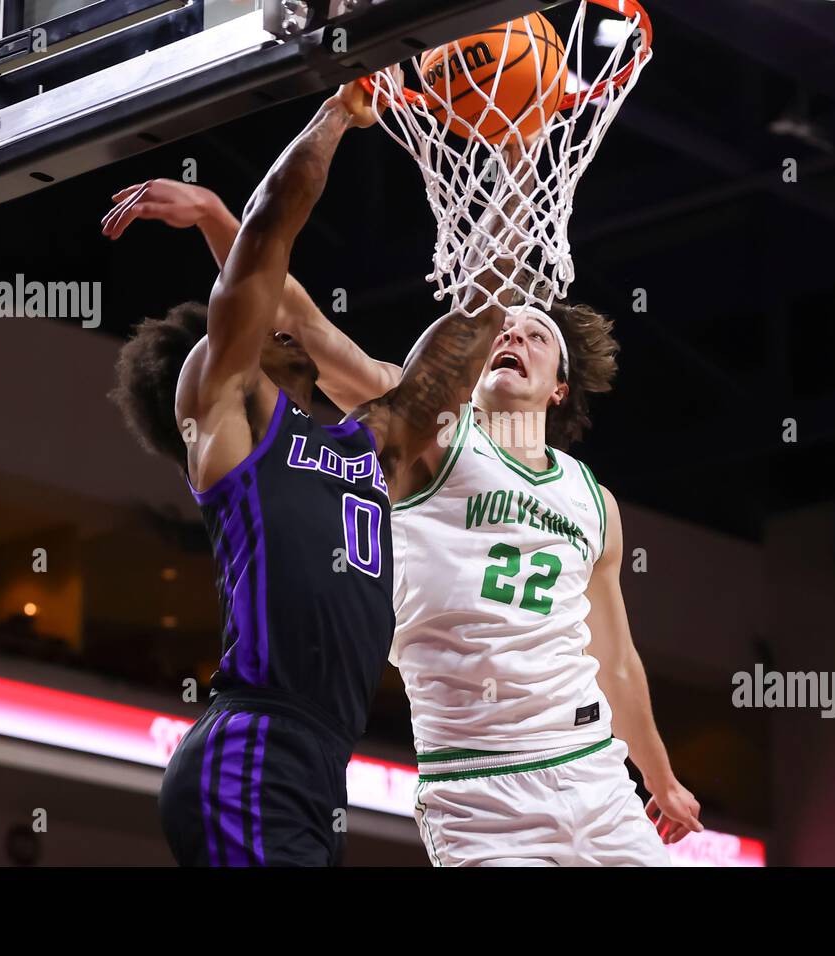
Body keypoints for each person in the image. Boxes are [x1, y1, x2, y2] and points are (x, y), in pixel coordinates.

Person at [107, 126, 702, 869]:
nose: (512, 332)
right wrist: (224, 218)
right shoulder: (422, 434)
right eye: (503, 330)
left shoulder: (575, 495)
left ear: (560, 388)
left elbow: (616, 659)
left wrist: (659, 775)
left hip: (575, 759)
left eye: (536, 333)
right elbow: (283, 303)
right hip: (466, 775)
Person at [107, 82, 514, 865]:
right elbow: (265, 246)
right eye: (262, 327)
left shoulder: (368, 448)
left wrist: (516, 168)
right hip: (254, 742)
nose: (287, 328)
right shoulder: (229, 430)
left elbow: (451, 357)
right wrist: (335, 118)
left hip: (319, 758)